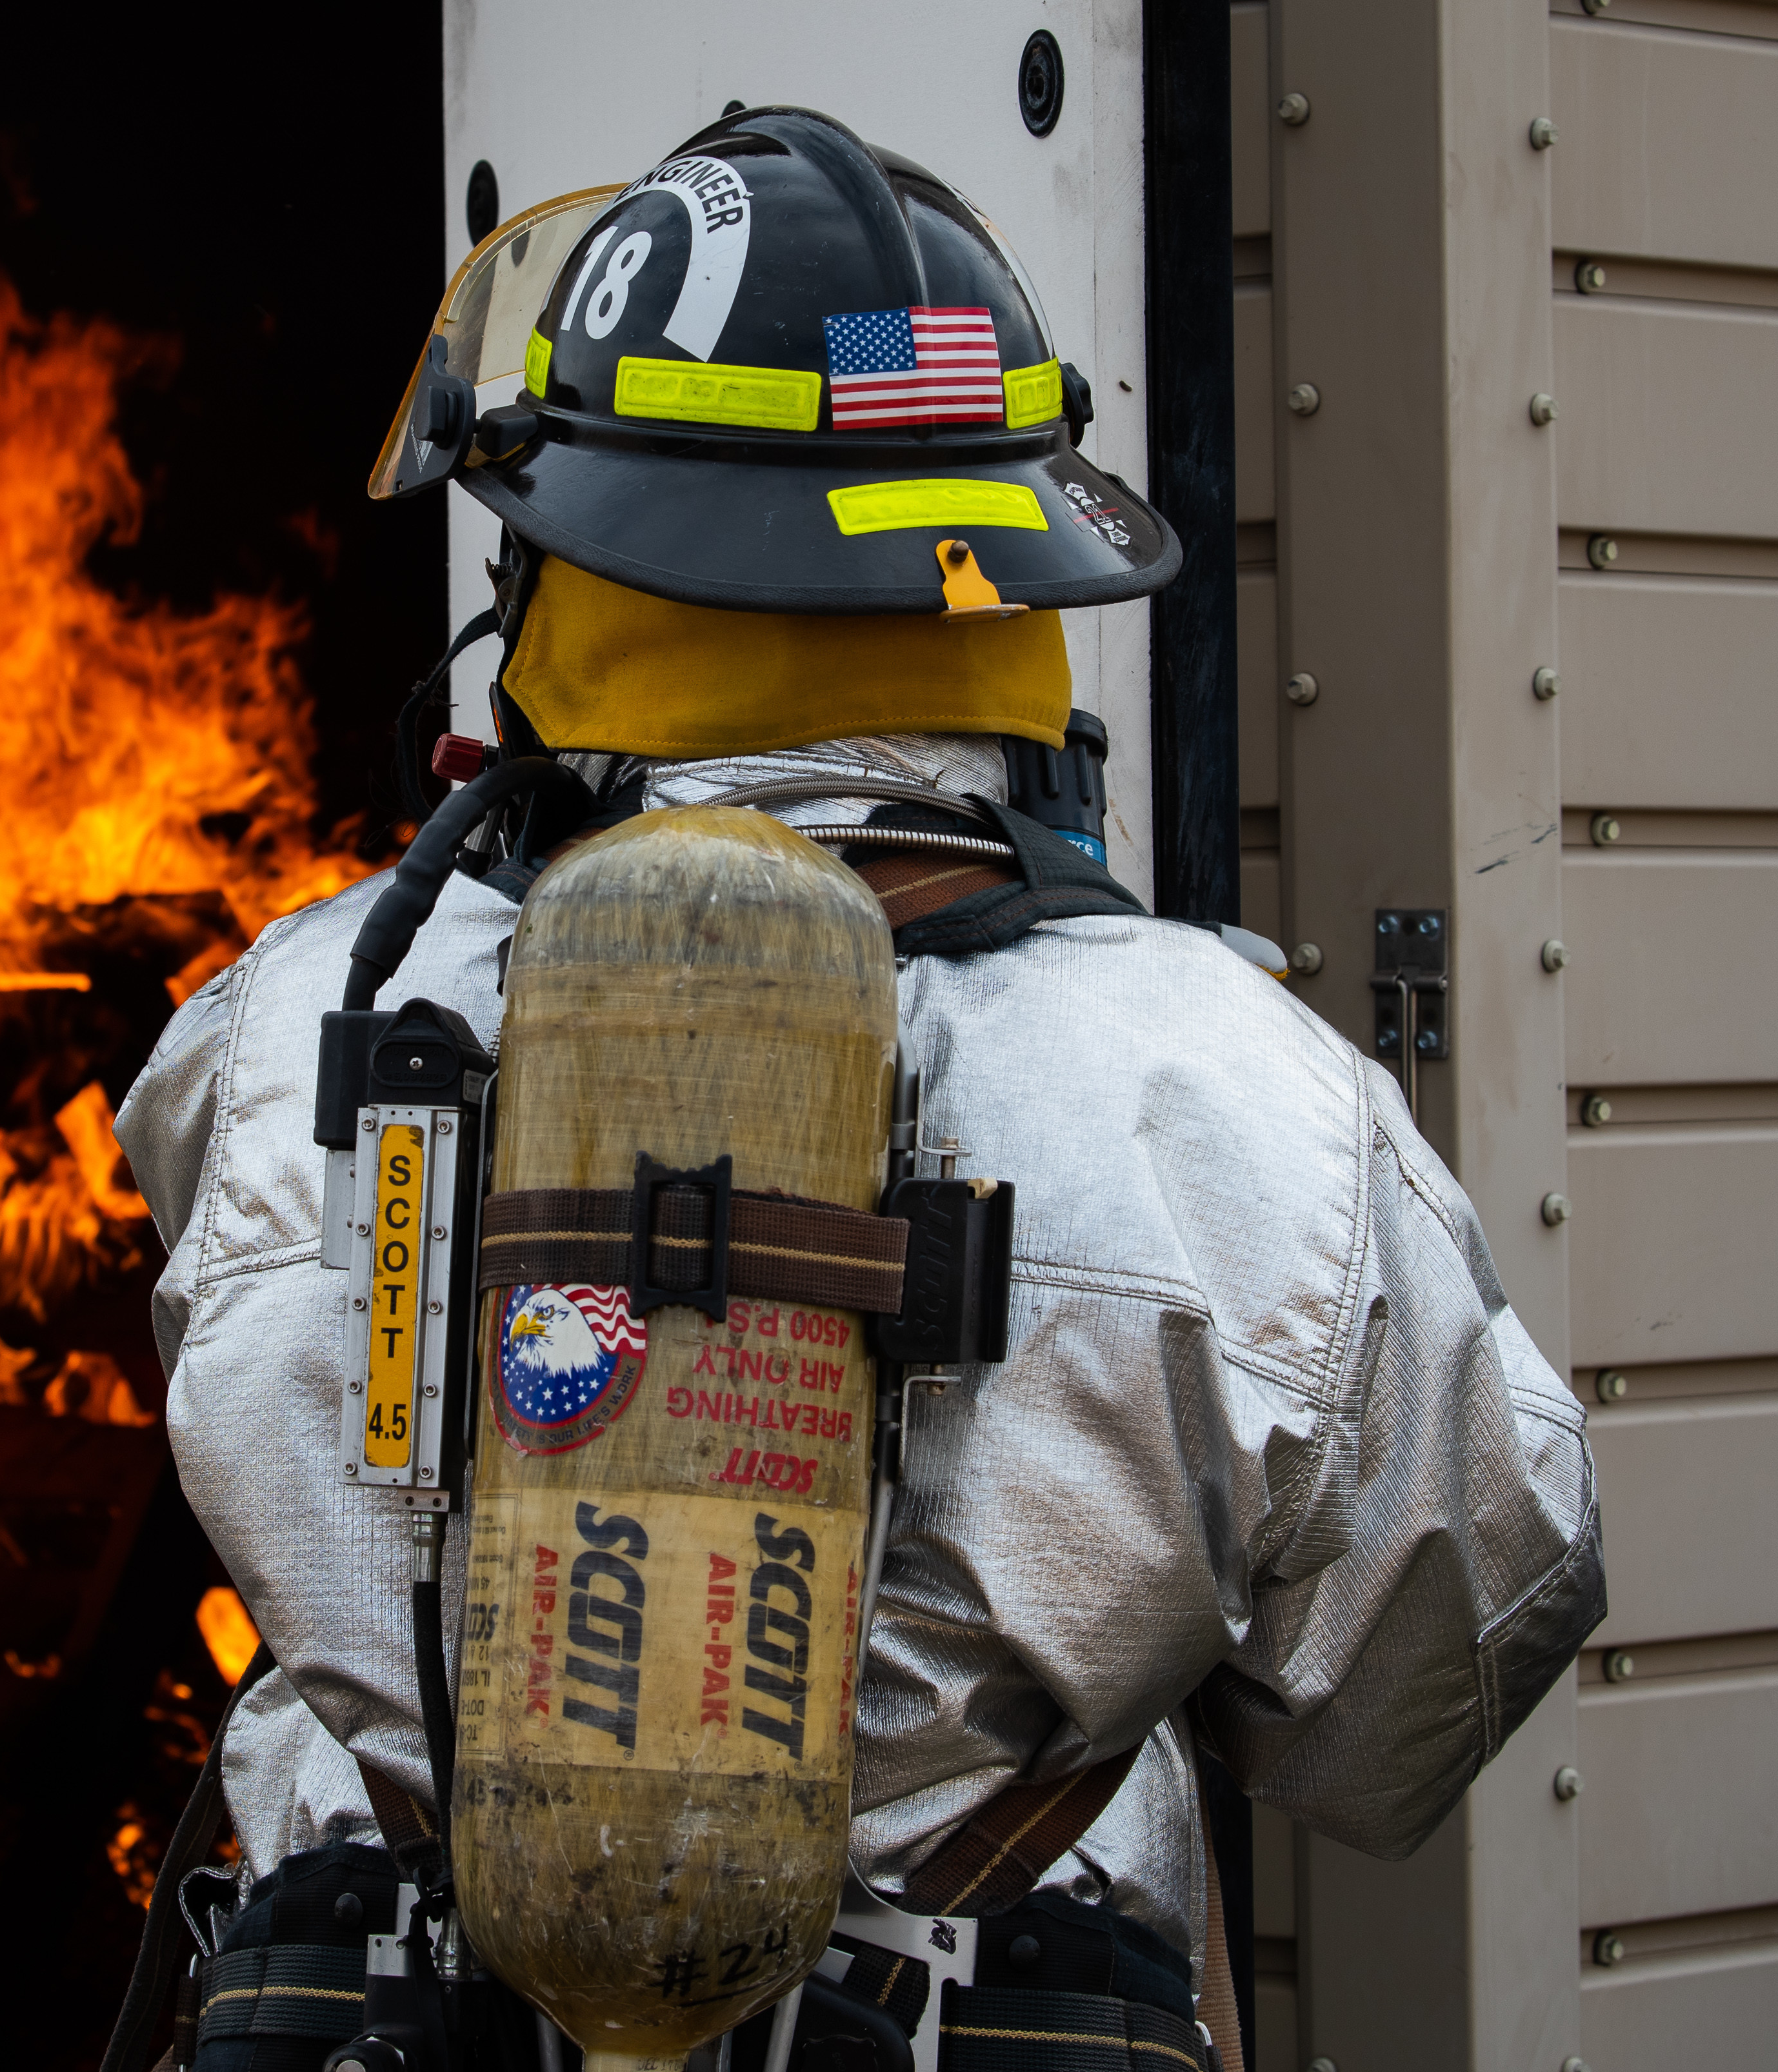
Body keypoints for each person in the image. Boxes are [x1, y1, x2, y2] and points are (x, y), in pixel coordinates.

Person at [112, 108, 1601, 2071]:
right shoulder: (1242, 1106)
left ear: (568, 557)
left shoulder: (271, 1034)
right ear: (1003, 563)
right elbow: (1425, 1675)